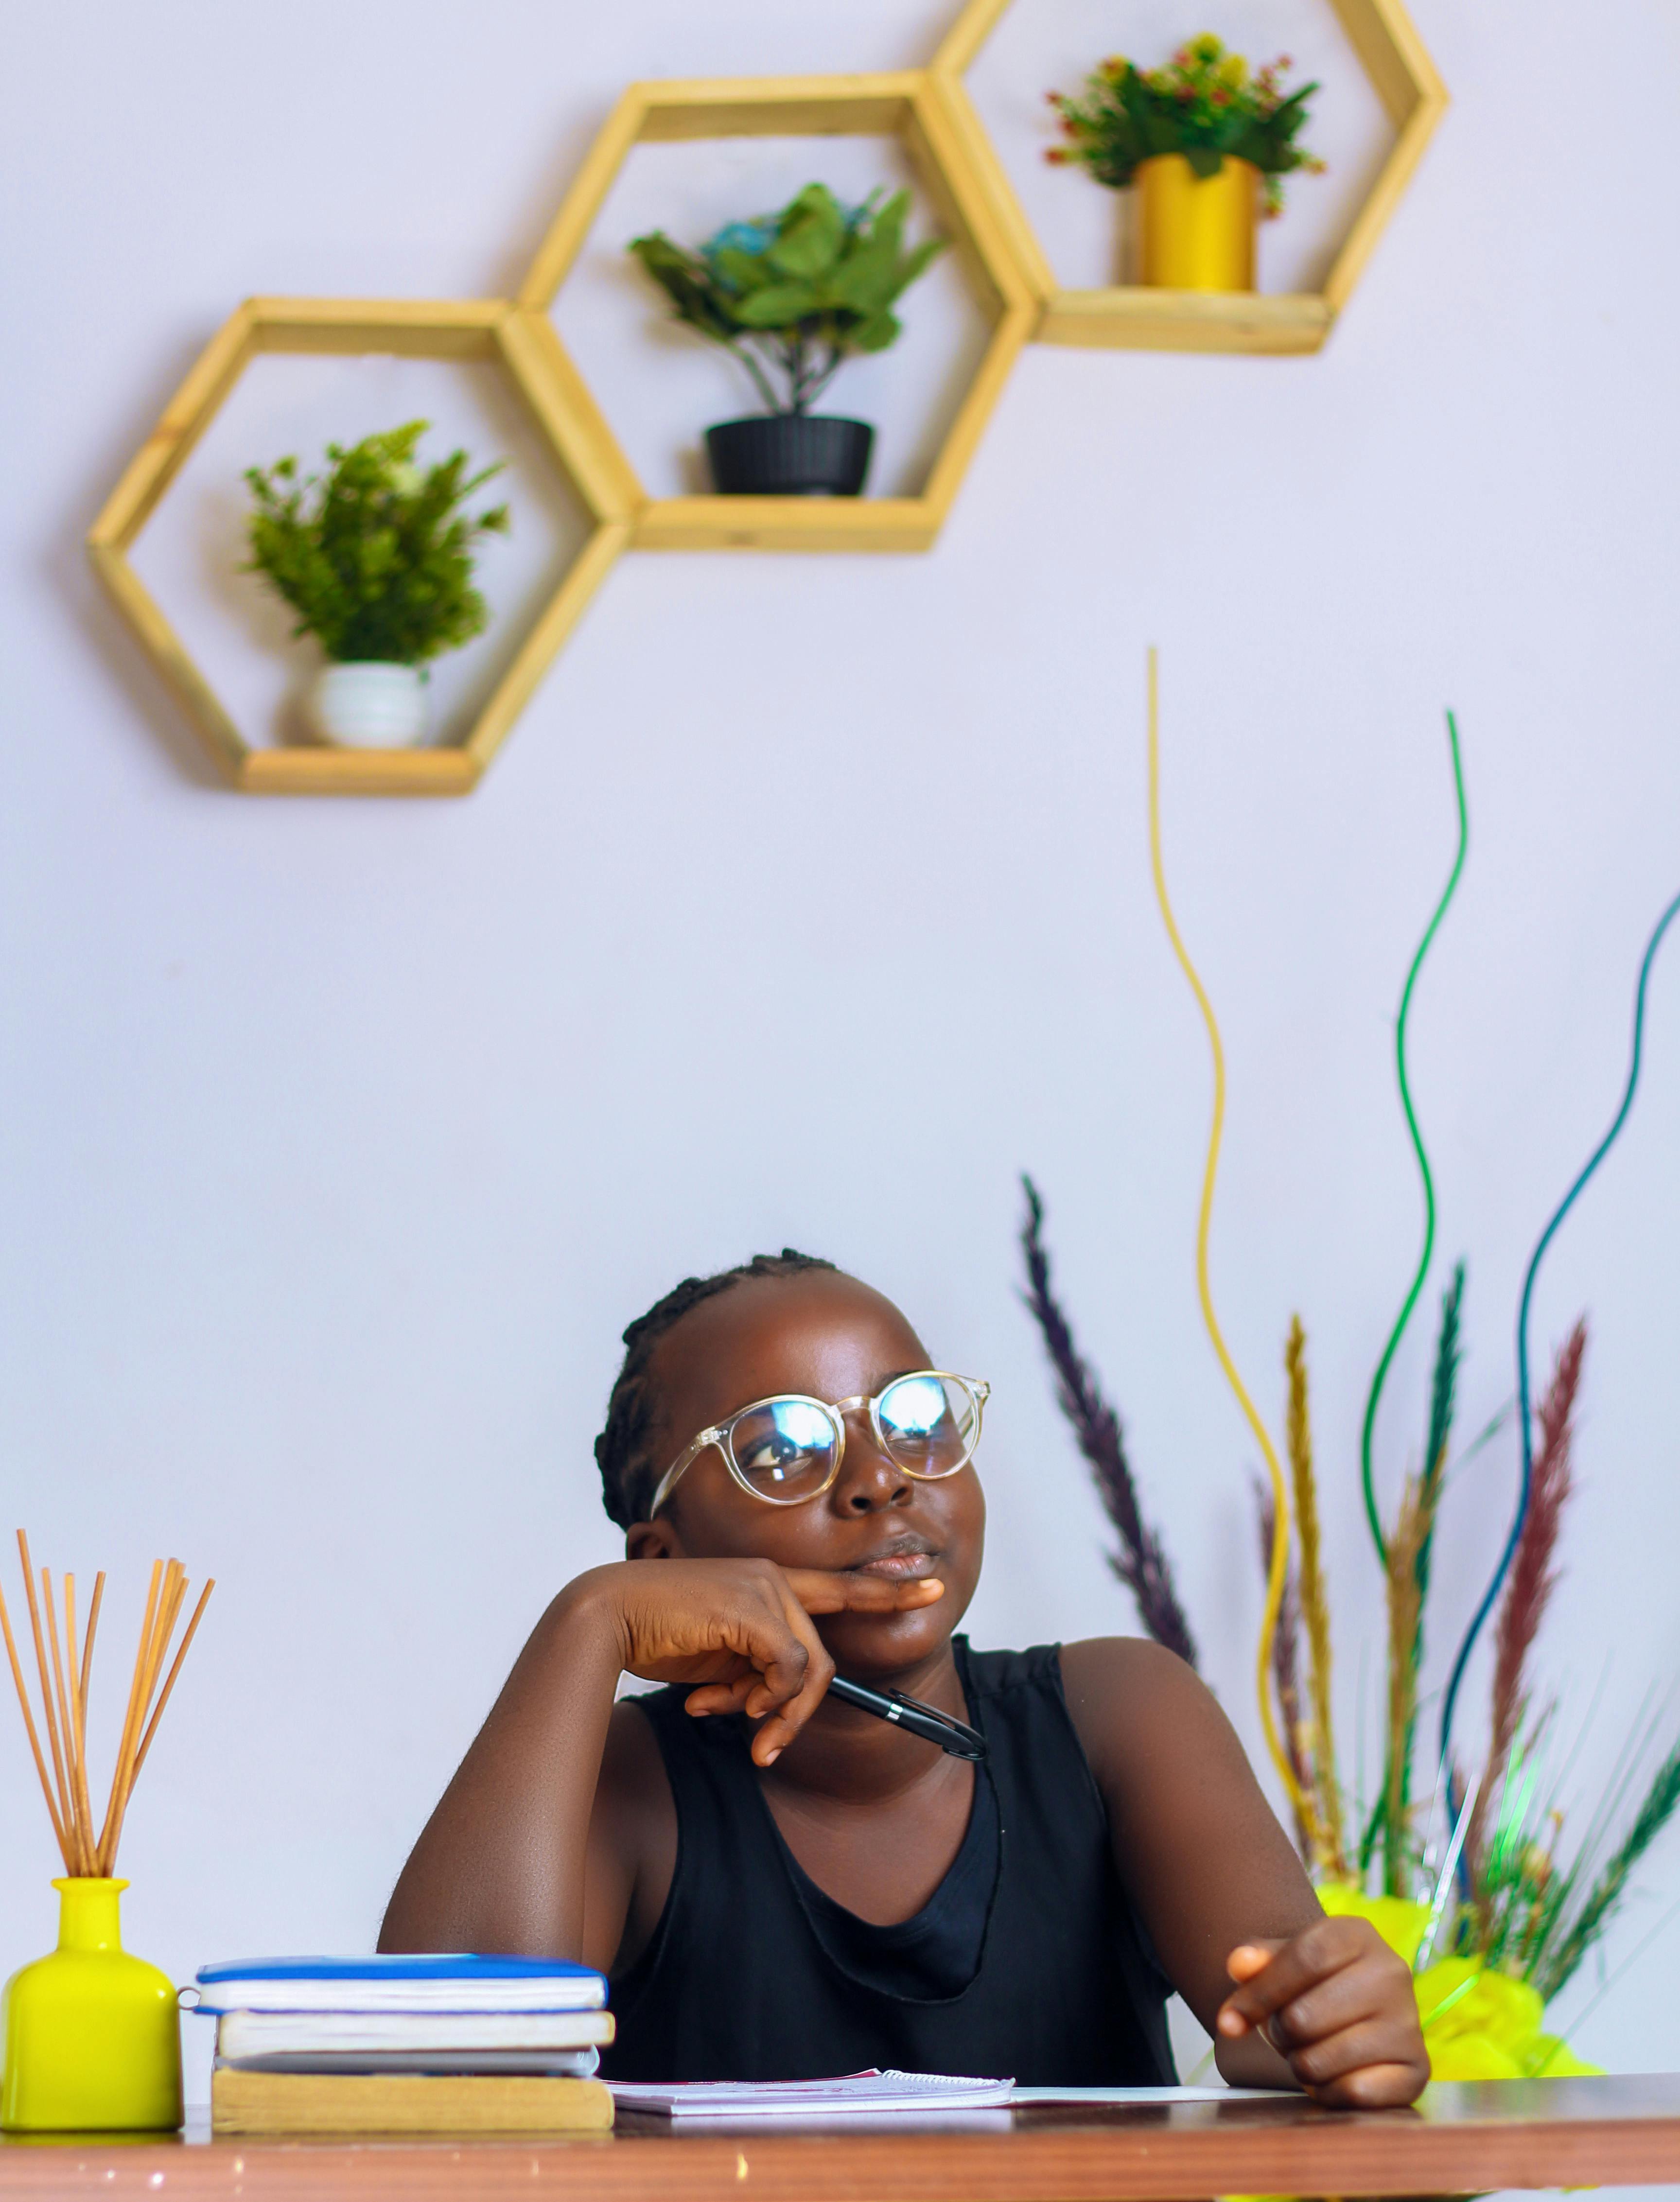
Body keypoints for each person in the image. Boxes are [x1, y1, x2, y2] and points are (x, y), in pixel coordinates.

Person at [381, 1251, 1428, 2105]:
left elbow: (1277, 2025)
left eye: (915, 1420)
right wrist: (586, 1623)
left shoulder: (1122, 1713)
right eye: (783, 1446)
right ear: (666, 1560)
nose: (881, 1477)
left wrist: (1333, 2019)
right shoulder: (626, 1788)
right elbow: (454, 2081)